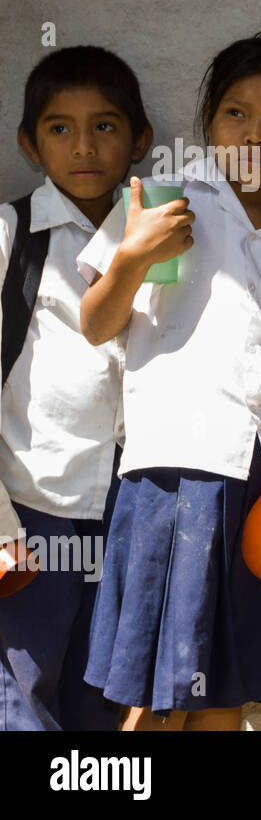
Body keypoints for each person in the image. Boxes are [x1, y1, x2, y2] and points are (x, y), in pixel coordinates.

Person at [77, 33, 261, 731]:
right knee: (155, 693)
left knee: (224, 689)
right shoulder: (170, 202)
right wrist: (134, 257)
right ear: (208, 120)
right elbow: (95, 322)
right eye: (236, 113)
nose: (255, 135)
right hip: (179, 471)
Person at [0, 46, 153, 729]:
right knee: (21, 701)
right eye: (60, 129)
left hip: (130, 516)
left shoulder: (160, 238)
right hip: (30, 516)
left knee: (106, 703)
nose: (84, 146)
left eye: (106, 126)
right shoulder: (11, 238)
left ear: (141, 141)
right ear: (29, 145)